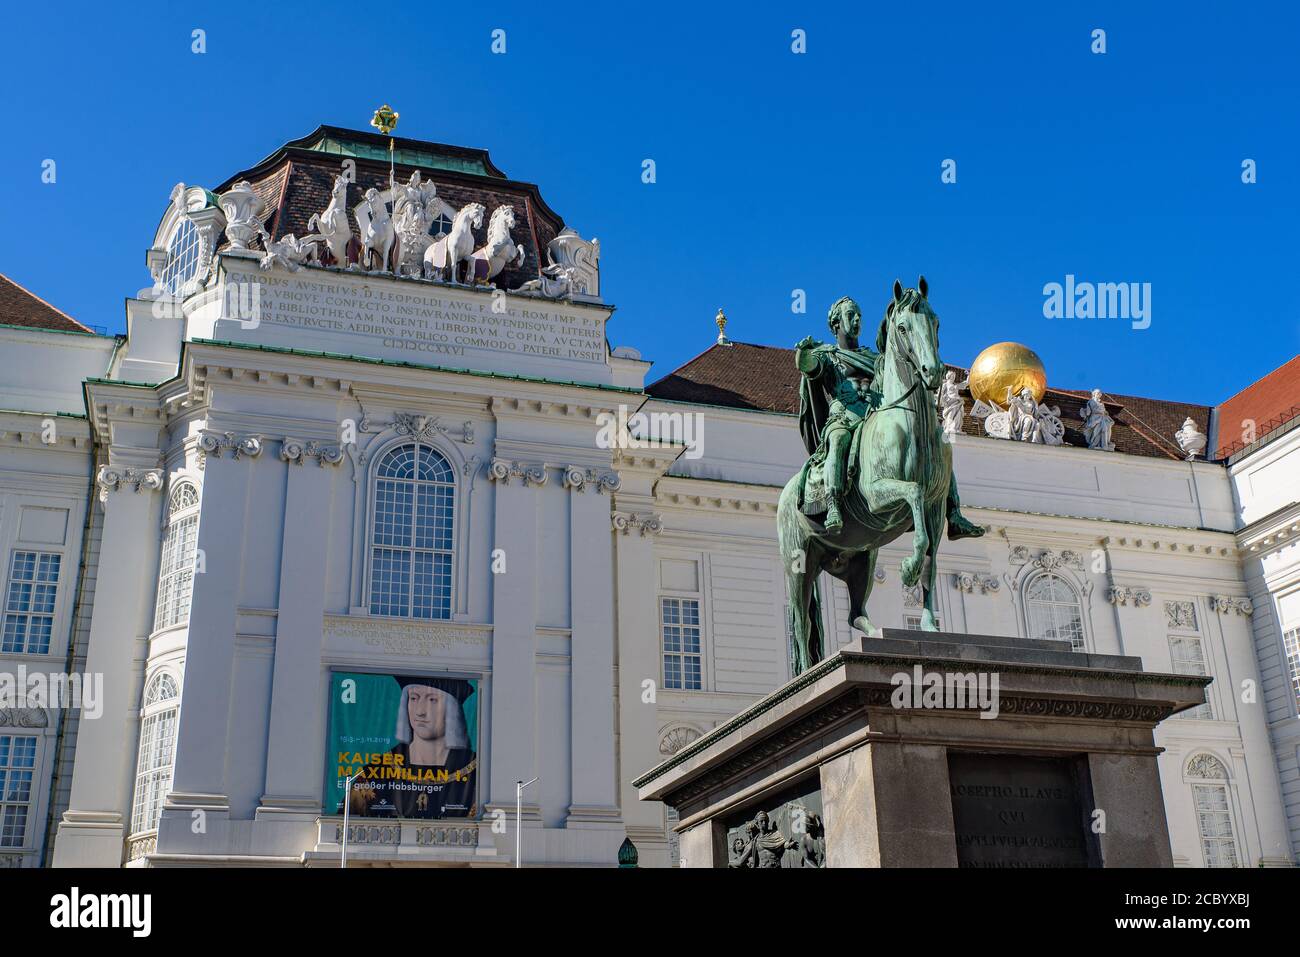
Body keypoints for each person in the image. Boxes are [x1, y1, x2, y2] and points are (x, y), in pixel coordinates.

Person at [795, 296, 983, 538]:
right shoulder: (828, 356)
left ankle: (953, 512)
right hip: (845, 414)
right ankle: (833, 503)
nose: (856, 320)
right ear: (836, 324)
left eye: (859, 316)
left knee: (933, 442)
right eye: (850, 315)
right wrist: (803, 355)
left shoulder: (875, 359)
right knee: (839, 440)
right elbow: (809, 366)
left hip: (875, 412)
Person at [347, 676, 476, 819]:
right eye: (414, 698)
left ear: (452, 709)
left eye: (432, 700)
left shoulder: (475, 773)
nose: (420, 711)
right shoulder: (376, 772)